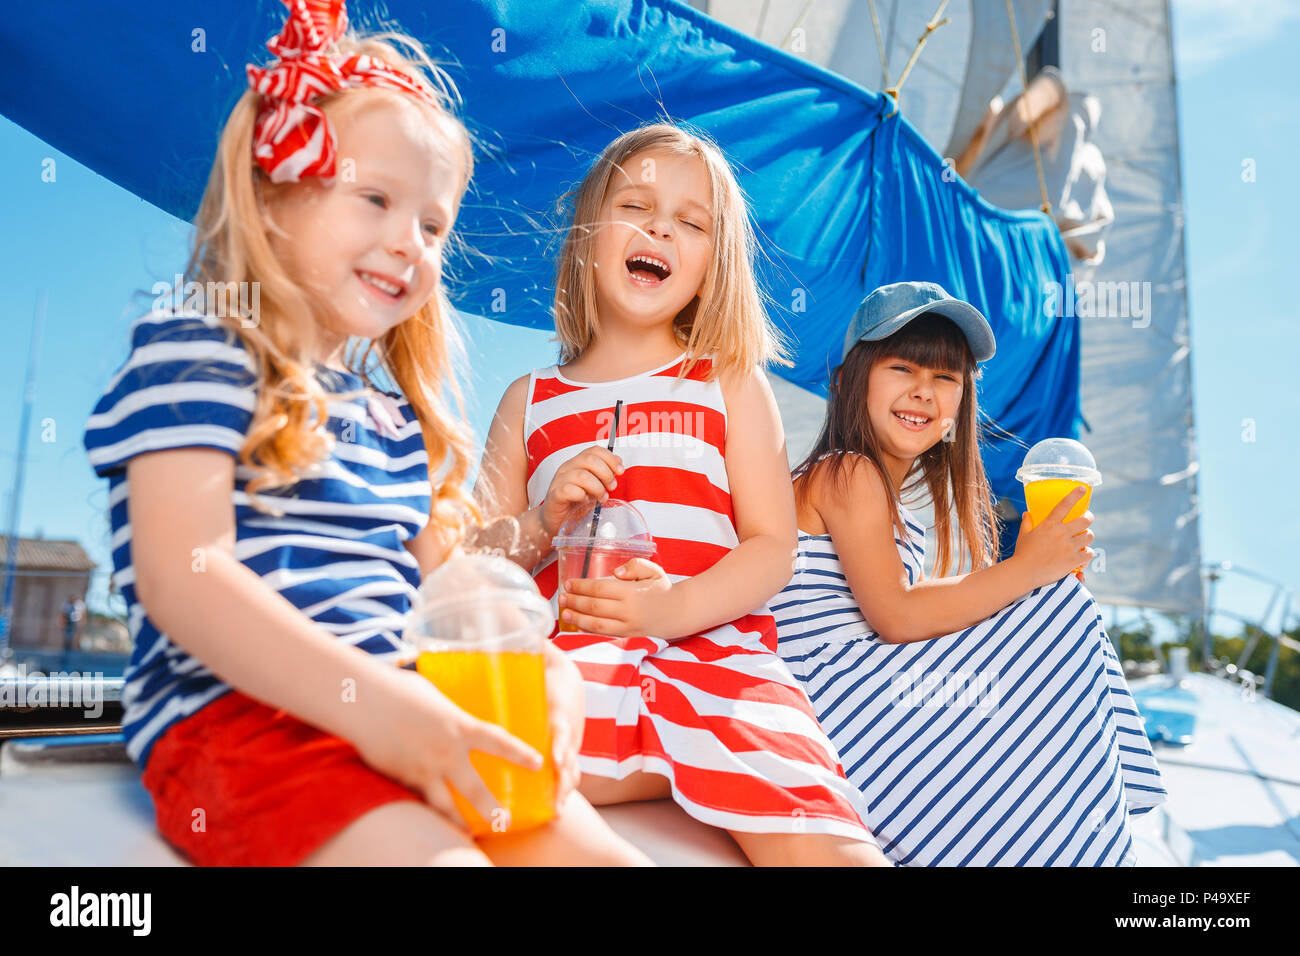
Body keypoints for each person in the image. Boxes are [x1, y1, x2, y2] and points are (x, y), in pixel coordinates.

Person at [82, 0, 648, 867]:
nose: (407, 244)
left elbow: (449, 600)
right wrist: (381, 712)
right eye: (374, 200)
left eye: (431, 225)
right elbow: (181, 579)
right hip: (242, 728)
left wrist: (549, 672)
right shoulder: (196, 349)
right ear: (274, 197)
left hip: (409, 711)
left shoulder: (393, 427)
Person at [473, 122, 889, 866]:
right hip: (571, 666)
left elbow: (771, 547)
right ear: (589, 234)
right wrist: (539, 521)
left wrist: (671, 610)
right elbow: (474, 563)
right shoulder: (526, 401)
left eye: (691, 222)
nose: (661, 226)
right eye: (636, 207)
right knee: (467, 760)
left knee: (829, 850)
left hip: (720, 669)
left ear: (712, 263)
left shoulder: (728, 379)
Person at [773, 280, 1167, 866]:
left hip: (856, 690)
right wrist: (1026, 572)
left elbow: (913, 604)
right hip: (831, 701)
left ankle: (1072, 831)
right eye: (903, 367)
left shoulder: (882, 493)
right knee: (1062, 617)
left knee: (1053, 605)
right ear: (851, 379)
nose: (924, 392)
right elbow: (897, 615)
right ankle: (1088, 844)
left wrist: (1031, 572)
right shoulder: (846, 473)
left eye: (946, 378)